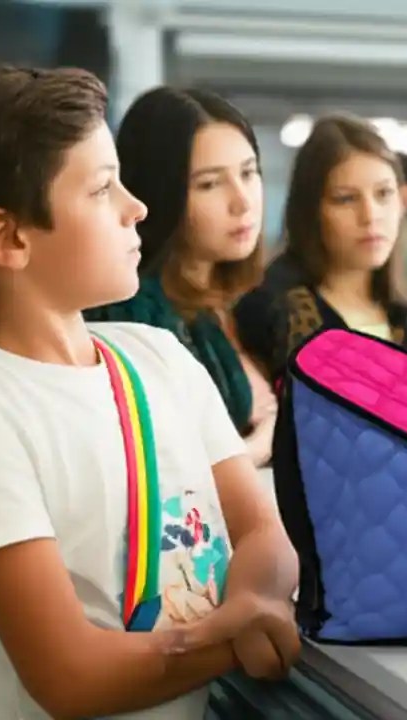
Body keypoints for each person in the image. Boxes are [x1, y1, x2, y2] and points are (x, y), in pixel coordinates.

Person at [0, 61, 300, 719]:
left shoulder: (159, 358)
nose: (136, 208)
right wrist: (234, 640)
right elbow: (71, 676)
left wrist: (253, 605)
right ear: (7, 237)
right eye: (102, 189)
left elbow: (261, 529)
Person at [84, 87, 277, 467]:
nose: (243, 201)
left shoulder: (217, 306)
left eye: (248, 173)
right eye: (209, 183)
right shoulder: (130, 316)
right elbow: (165, 467)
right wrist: (261, 445)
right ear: (159, 193)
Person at [233, 113, 407, 385]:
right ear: (311, 211)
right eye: (346, 199)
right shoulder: (270, 312)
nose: (370, 216)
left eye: (383, 194)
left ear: (403, 200)